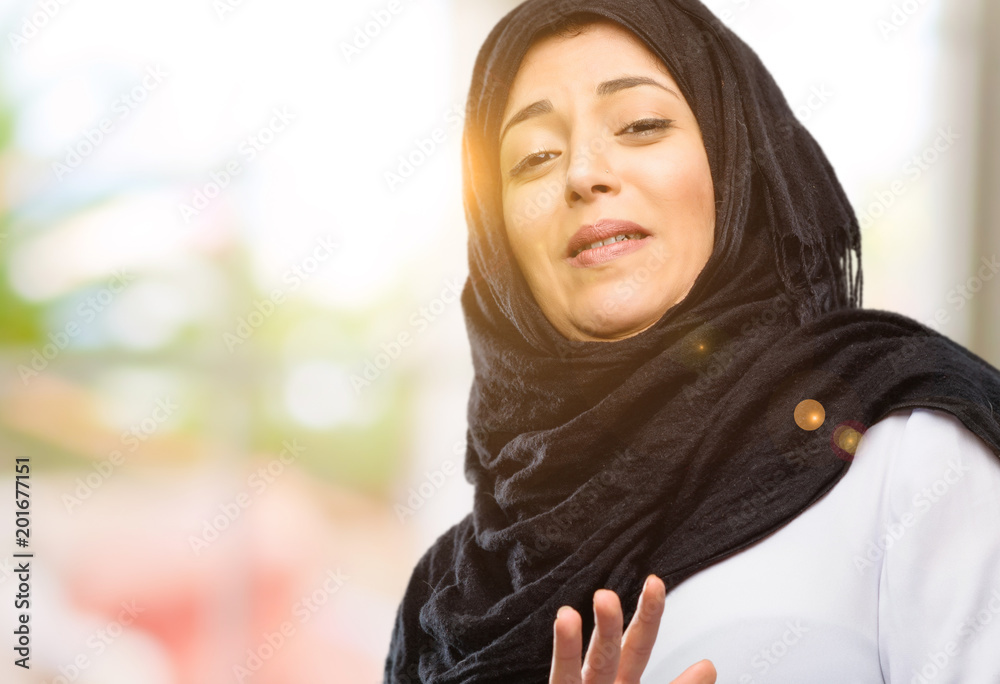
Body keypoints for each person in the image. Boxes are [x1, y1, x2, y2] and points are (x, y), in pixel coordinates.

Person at [383, 1, 1000, 682]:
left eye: (642, 125)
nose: (582, 173)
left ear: (734, 169)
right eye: (533, 158)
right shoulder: (446, 601)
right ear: (497, 241)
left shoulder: (907, 454)